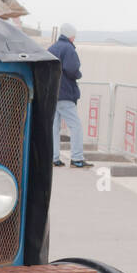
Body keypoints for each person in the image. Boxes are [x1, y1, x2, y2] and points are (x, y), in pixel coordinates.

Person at [48, 22, 89, 168]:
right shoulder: (69, 49)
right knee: (75, 125)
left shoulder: (52, 48)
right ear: (71, 36)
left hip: (52, 93)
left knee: (54, 127)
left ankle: (53, 158)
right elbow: (72, 69)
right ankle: (77, 158)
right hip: (65, 93)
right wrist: (78, 74)